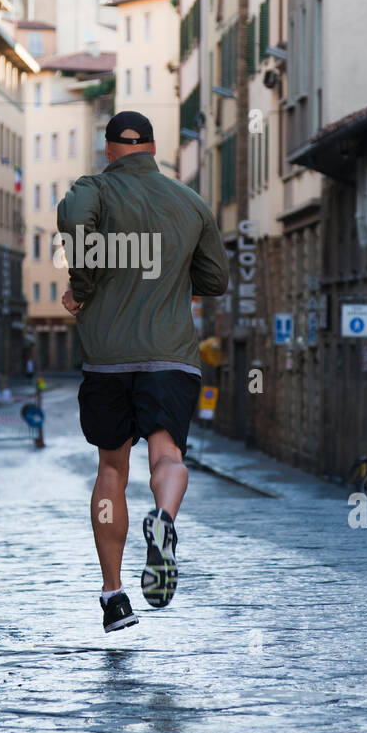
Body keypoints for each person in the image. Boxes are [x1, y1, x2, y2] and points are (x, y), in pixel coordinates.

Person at [57, 111, 229, 633]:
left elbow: (73, 220)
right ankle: (165, 519)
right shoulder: (191, 201)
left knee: (112, 469)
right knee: (167, 454)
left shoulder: (95, 188)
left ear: (110, 149)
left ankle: (113, 596)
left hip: (108, 356)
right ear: (153, 148)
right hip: (171, 355)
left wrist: (82, 288)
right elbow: (215, 278)